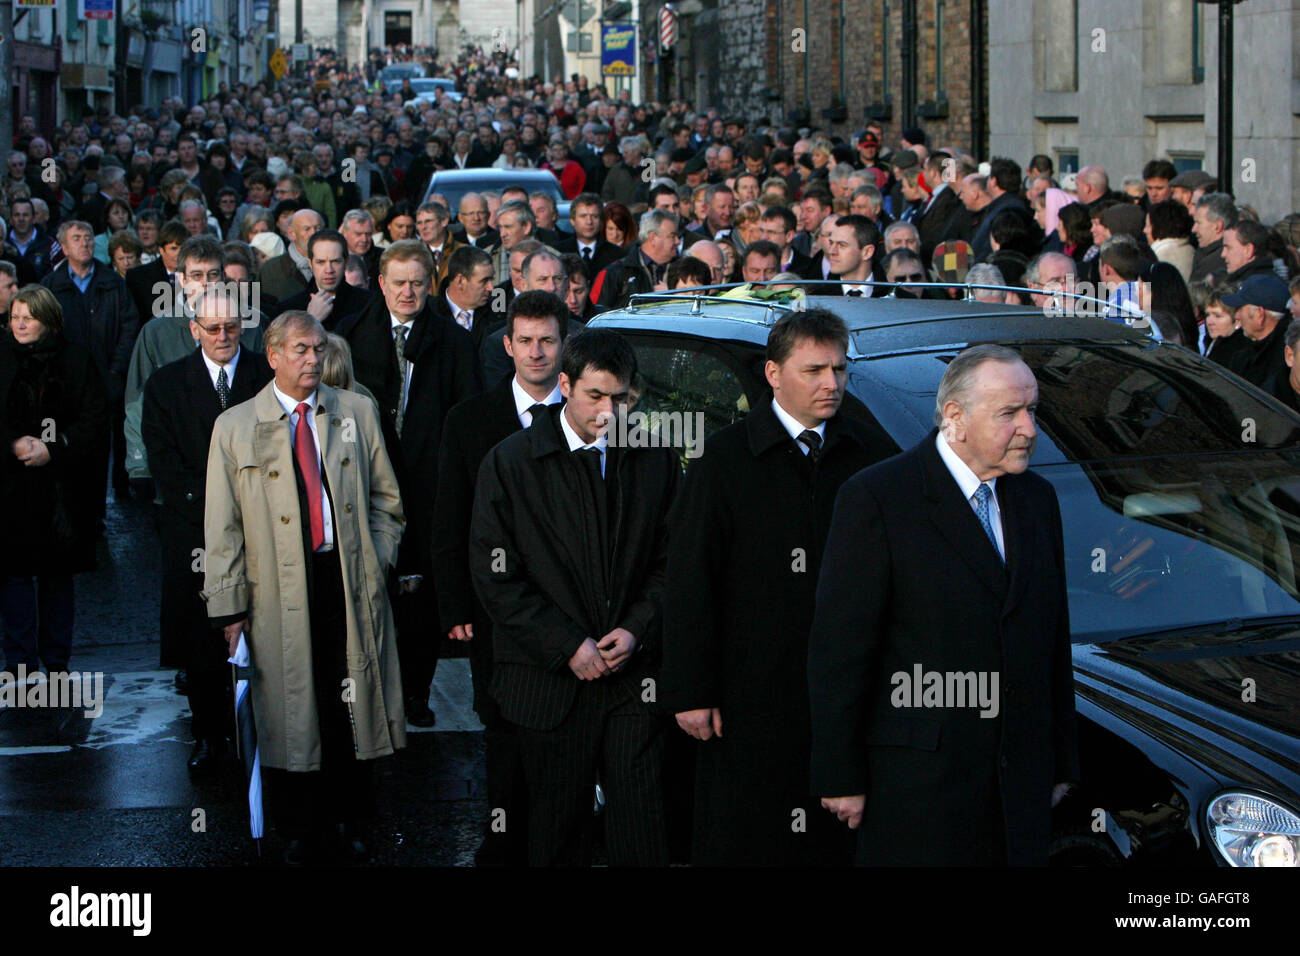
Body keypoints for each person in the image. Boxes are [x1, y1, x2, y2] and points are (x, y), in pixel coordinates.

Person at [808, 344, 1079, 865]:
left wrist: (1060, 761)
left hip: (1017, 788)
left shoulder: (1037, 499)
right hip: (917, 787)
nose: (1029, 428)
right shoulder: (879, 498)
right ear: (954, 417)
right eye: (1009, 413)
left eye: (1033, 410)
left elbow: (1051, 637)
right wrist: (840, 775)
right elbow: (839, 652)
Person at [662, 308, 896, 866]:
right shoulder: (725, 457)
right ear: (773, 374)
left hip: (844, 692)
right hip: (750, 695)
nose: (831, 384)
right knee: (753, 836)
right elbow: (690, 578)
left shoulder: (871, 452)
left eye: (839, 370)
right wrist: (692, 689)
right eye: (814, 370)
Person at [469, 328, 680, 866]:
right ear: (564, 385)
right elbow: (496, 576)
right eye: (595, 396)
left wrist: (635, 629)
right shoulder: (509, 463)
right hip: (548, 685)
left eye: (621, 397)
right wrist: (568, 645)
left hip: (634, 680)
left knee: (641, 831)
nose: (609, 410)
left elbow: (671, 564)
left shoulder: (653, 459)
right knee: (556, 835)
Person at [203, 310, 406, 864]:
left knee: (350, 702)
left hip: (346, 579)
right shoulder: (236, 426)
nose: (312, 359)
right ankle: (298, 826)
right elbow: (221, 527)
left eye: (318, 349)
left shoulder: (357, 412)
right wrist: (229, 609)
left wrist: (376, 560)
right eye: (299, 350)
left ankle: (352, 819)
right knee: (291, 706)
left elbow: (388, 502)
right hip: (273, 592)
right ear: (272, 356)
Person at [432, 290, 570, 865]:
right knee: (503, 729)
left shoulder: (587, 415)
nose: (537, 353)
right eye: (527, 341)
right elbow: (449, 519)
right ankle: (506, 840)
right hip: (494, 609)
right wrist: (455, 606)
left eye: (548, 341)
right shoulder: (469, 421)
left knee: (565, 728)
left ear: (565, 346)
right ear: (507, 345)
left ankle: (560, 839)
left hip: (571, 606)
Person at [337, 239, 483, 728]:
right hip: (367, 484)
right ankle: (371, 687)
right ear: (380, 283)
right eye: (398, 282)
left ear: (431, 285)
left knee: (420, 592)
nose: (407, 292)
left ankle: (416, 692)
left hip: (430, 487)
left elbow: (467, 417)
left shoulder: (455, 343)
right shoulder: (352, 334)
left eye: (417, 283)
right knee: (369, 587)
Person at [140, 287, 273, 773]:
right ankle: (209, 734)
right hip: (193, 530)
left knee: (267, 630)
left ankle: (267, 736)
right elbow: (165, 464)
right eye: (212, 328)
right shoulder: (166, 385)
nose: (223, 336)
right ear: (193, 329)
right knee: (201, 637)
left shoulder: (266, 376)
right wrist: (216, 509)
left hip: (266, 526)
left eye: (232, 327)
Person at [0, 285, 108, 674]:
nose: (20, 324)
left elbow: (95, 418)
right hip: (10, 486)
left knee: (56, 575)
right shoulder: (2, 357)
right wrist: (13, 444)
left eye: (28, 317)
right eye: (15, 317)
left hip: (62, 488)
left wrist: (55, 446)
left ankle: (56, 659)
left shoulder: (76, 360)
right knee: (13, 575)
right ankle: (20, 663)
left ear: (48, 320)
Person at [124, 236, 265, 495]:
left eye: (212, 274)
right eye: (197, 275)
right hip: (179, 467)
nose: (206, 283)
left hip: (246, 469)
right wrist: (139, 464)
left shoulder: (253, 324)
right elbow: (137, 400)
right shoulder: (157, 331)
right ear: (181, 279)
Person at [42, 220, 140, 505]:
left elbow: (129, 327)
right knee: (70, 442)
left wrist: (115, 369)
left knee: (103, 444)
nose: (84, 243)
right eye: (76, 238)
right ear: (64, 247)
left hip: (106, 376)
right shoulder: (52, 285)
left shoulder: (112, 282)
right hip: (66, 382)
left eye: (87, 237)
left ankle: (106, 504)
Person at [271, 229, 374, 329]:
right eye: (321, 262)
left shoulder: (369, 304)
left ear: (345, 262)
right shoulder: (288, 308)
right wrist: (312, 319)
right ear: (310, 264)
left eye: (336, 261)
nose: (329, 270)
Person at [594, 209, 679, 309]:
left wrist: (674, 294)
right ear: (652, 238)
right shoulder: (615, 273)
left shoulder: (684, 270)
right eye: (672, 236)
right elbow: (596, 314)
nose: (677, 241)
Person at [260, 208, 323, 302]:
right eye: (307, 229)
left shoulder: (333, 266)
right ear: (291, 233)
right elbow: (255, 309)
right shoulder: (269, 269)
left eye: (318, 228)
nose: (313, 233)